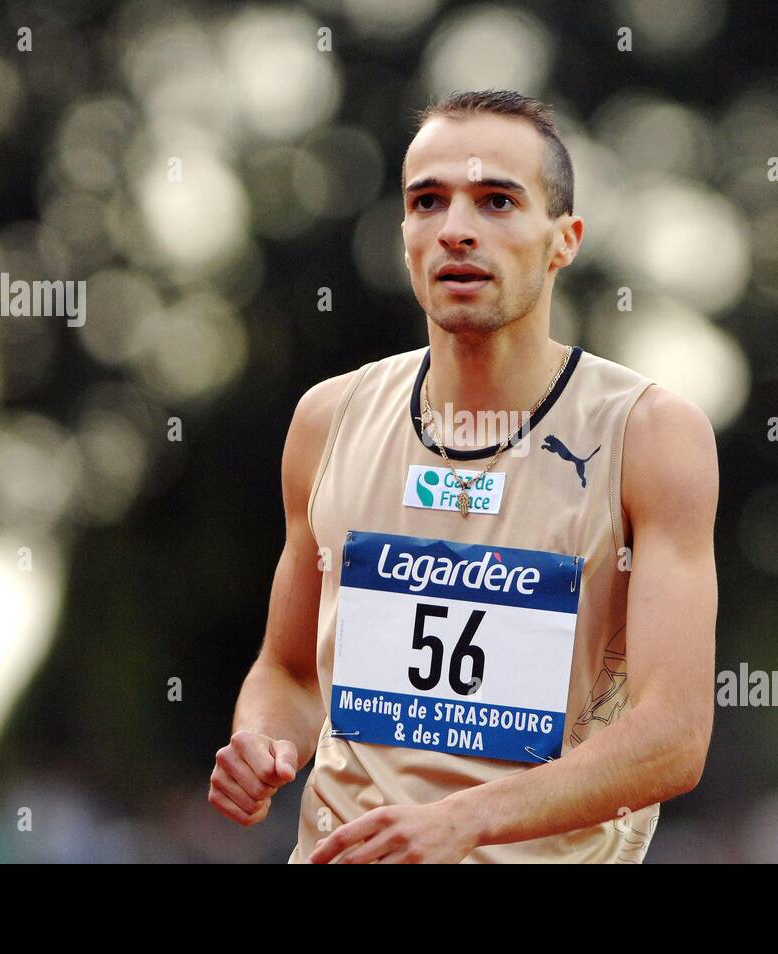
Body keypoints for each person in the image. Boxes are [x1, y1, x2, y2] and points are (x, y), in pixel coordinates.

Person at [208, 89, 719, 863]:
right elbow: (289, 673)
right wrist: (263, 742)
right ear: (405, 234)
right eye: (428, 201)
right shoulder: (328, 421)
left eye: (497, 201)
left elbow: (674, 737)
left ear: (563, 240)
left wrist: (467, 819)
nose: (457, 229)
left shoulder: (649, 436)